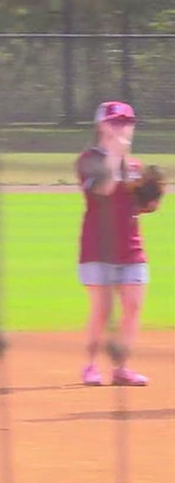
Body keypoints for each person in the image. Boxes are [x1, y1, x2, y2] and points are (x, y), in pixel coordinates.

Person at [75, 101, 155, 387]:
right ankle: (91, 365)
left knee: (133, 307)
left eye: (127, 122)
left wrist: (150, 199)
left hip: (131, 247)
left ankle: (121, 367)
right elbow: (103, 191)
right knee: (103, 309)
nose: (123, 127)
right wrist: (115, 153)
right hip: (98, 248)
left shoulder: (135, 166)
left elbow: (139, 207)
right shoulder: (88, 160)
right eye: (116, 122)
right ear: (102, 126)